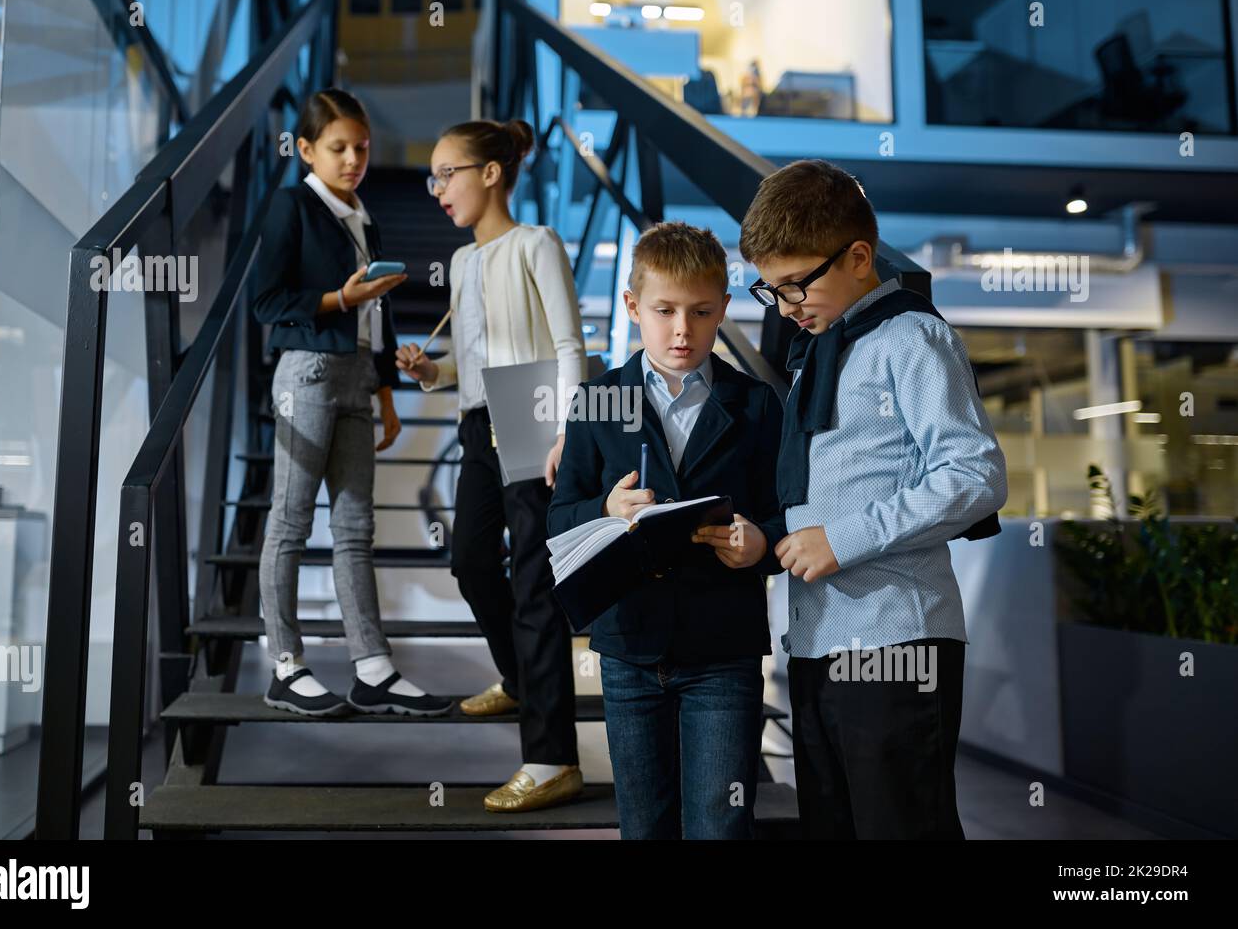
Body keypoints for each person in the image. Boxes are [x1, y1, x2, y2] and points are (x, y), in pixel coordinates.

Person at [739, 158, 1008, 838]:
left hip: (895, 641)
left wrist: (844, 539)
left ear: (859, 256)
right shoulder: (820, 353)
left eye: (796, 286)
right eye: (771, 291)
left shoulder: (911, 339)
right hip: (817, 644)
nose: (786, 307)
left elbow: (975, 476)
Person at [548, 222, 787, 838]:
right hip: (629, 648)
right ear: (632, 306)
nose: (683, 330)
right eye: (664, 310)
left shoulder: (757, 404)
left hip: (724, 651)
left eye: (702, 312)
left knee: (721, 823)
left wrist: (759, 543)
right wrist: (606, 510)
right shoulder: (596, 401)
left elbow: (787, 513)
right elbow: (557, 521)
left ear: (724, 310)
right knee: (644, 825)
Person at [395, 119, 587, 812]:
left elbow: (569, 344)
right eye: (434, 176)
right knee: (472, 562)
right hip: (481, 417)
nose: (437, 188)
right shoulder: (466, 262)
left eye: (449, 173)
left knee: (534, 586)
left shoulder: (536, 243)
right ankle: (518, 677)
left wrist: (566, 428)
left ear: (492, 173)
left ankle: (552, 759)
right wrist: (428, 372)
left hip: (531, 403)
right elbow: (468, 371)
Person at [252, 88, 450, 718]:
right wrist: (339, 299)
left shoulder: (364, 215)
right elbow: (266, 302)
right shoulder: (291, 207)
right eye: (337, 148)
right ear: (306, 149)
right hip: (305, 373)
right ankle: (286, 664)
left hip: (357, 377)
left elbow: (378, 313)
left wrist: (386, 390)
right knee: (289, 523)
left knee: (354, 529)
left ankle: (372, 667)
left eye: (361, 147)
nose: (353, 159)